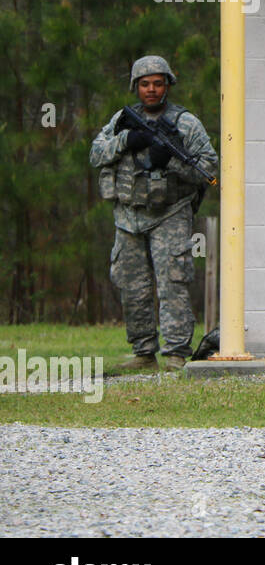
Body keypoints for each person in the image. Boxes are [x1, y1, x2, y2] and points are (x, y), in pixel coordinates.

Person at [90, 56, 218, 372]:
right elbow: (95, 154)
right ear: (136, 86)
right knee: (130, 283)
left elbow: (209, 169)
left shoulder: (186, 123)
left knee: (173, 281)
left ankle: (175, 354)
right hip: (128, 215)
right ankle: (143, 352)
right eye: (145, 84)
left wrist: (169, 161)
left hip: (169, 213)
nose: (151, 89)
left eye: (158, 83)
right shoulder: (123, 118)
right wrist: (126, 140)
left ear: (167, 86)